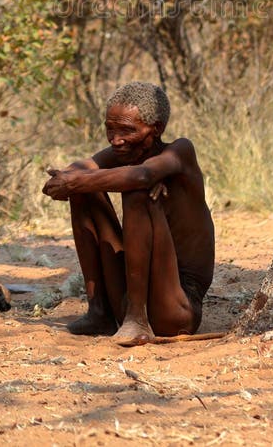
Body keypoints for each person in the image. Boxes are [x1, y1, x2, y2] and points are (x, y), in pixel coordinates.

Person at [42, 81, 215, 346]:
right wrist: (69, 179)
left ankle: (137, 319)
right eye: (110, 129)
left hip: (177, 308)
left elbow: (143, 175)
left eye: (127, 130)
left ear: (156, 129)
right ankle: (98, 310)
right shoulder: (125, 152)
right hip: (127, 296)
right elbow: (81, 168)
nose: (116, 140)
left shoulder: (180, 151)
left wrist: (74, 180)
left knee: (135, 191)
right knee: (85, 190)